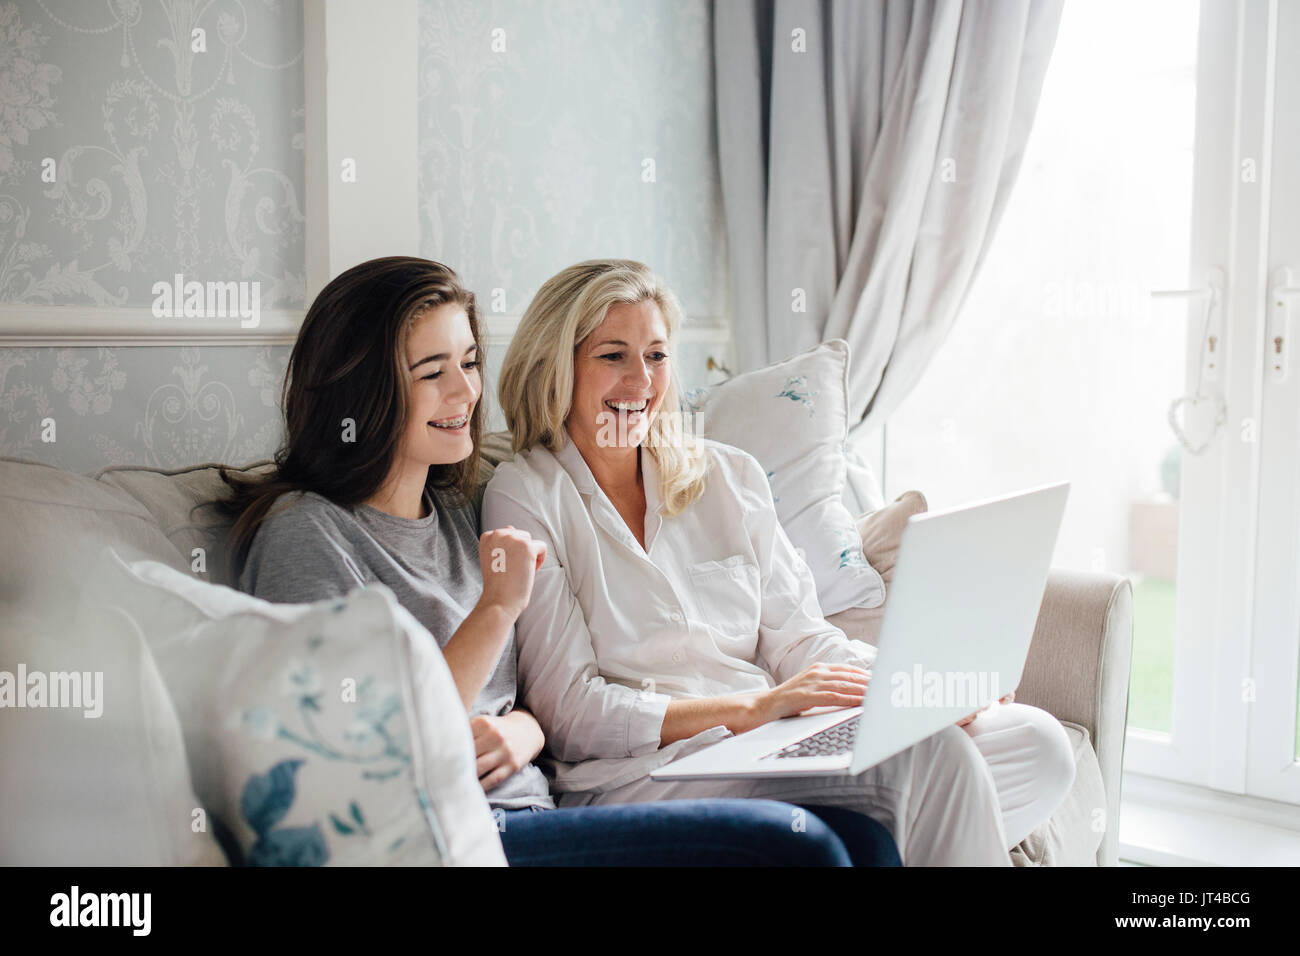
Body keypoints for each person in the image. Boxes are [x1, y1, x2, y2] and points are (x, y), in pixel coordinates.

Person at [218, 255, 900, 867]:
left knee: (863, 835)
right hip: (447, 837)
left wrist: (521, 731)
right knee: (794, 846)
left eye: (468, 362)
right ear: (360, 390)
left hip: (526, 809)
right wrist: (495, 608)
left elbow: (537, 704)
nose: (465, 393)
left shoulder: (461, 511)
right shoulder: (306, 536)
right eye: (433, 372)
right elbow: (360, 753)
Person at [482, 258, 1077, 866]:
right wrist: (752, 709)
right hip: (644, 776)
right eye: (613, 356)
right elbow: (572, 710)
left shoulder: (727, 475)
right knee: (936, 761)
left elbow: (800, 638)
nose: (641, 382)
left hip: (768, 744)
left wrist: (917, 687)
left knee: (1036, 743)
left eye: (656, 356)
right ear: (557, 366)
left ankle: (882, 830)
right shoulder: (526, 494)